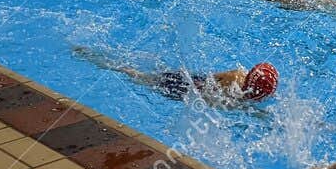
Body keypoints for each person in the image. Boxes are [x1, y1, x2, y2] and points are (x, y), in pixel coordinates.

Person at [76, 47, 279, 108]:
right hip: (183, 86)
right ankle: (97, 58)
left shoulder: (240, 84)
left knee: (145, 74)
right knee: (137, 75)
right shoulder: (234, 78)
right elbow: (209, 83)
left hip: (194, 83)